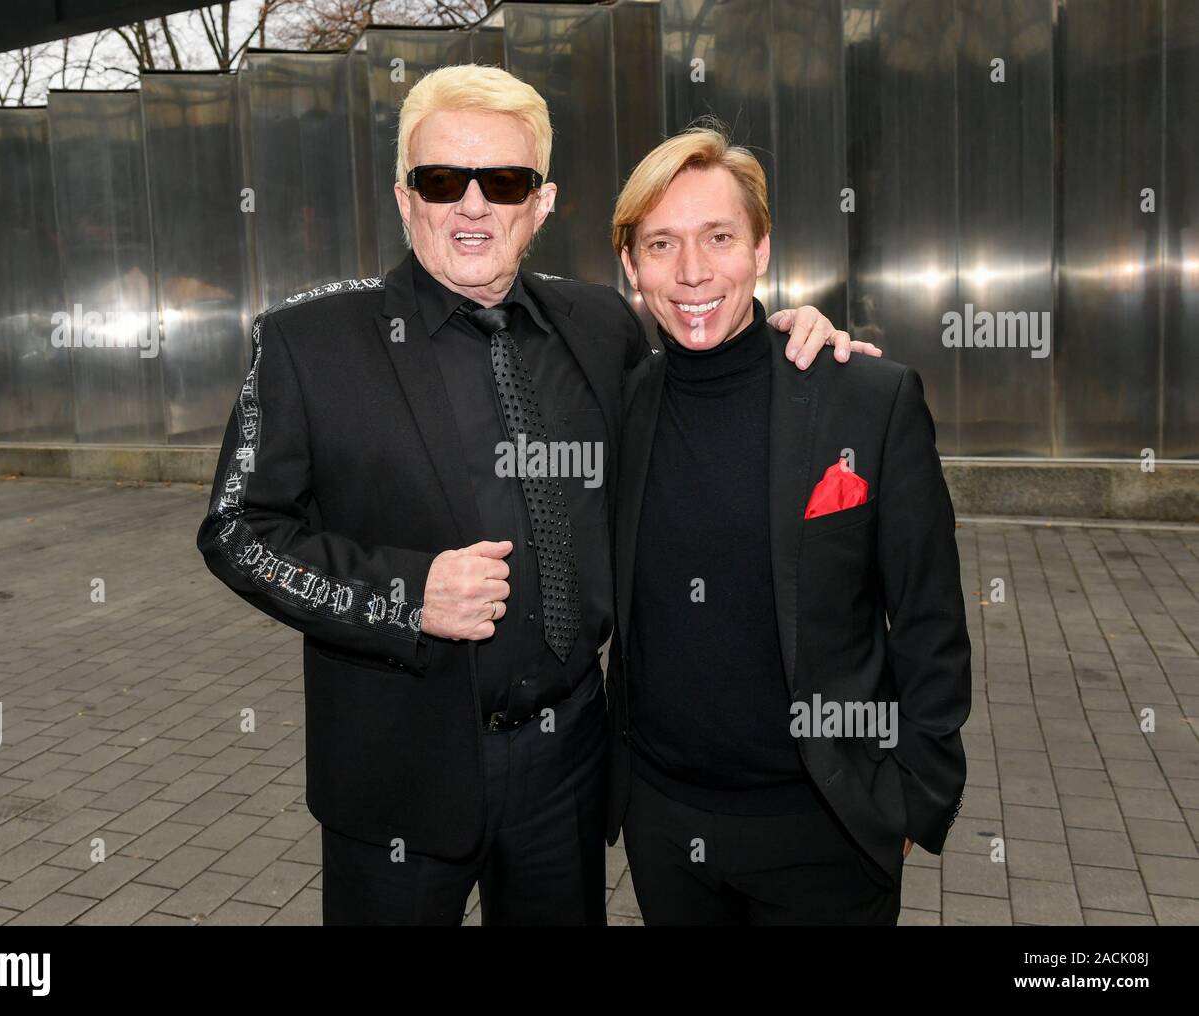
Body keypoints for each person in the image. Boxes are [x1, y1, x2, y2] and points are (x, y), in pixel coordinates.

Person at [198, 65, 856, 925]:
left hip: (570, 765)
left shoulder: (601, 326)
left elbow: (697, 398)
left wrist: (786, 337)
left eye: (502, 181)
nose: (473, 206)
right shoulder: (306, 343)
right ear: (406, 199)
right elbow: (236, 530)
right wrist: (404, 594)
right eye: (443, 181)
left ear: (540, 203)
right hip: (399, 776)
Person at [606, 124, 971, 925]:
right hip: (666, 829)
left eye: (720, 238)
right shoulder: (623, 406)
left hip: (828, 830)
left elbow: (928, 616)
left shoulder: (866, 400)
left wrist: (915, 794)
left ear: (761, 250)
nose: (693, 271)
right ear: (631, 267)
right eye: (662, 244)